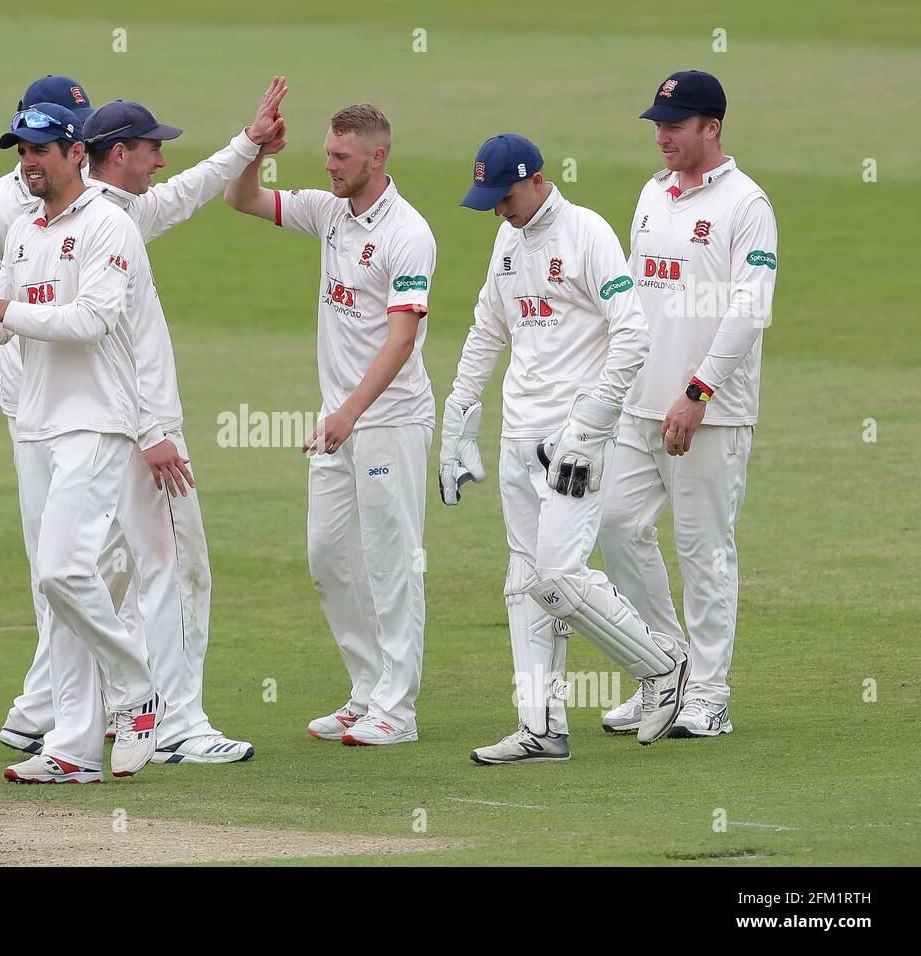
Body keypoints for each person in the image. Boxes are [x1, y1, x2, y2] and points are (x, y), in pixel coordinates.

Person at [4, 81, 288, 777]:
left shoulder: (109, 212)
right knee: (169, 567)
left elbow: (192, 189)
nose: (161, 160)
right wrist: (152, 427)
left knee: (84, 572)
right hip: (127, 428)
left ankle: (76, 727)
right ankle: (175, 724)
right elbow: (113, 339)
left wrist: (249, 142)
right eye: (152, 148)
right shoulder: (99, 223)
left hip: (81, 426)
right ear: (116, 153)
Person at [439, 134, 689, 764]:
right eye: (490, 200)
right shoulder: (506, 240)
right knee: (525, 582)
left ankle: (662, 665)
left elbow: (632, 334)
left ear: (537, 179)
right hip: (519, 439)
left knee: (556, 577)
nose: (499, 209)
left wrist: (589, 425)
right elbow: (485, 331)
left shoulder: (587, 234)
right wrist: (457, 424)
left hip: (572, 444)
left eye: (505, 196)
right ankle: (541, 727)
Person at [0, 103, 160, 780]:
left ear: (73, 152)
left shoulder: (109, 226)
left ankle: (135, 688)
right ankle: (74, 747)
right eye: (20, 152)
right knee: (53, 584)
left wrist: (0, 307)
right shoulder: (25, 229)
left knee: (66, 569)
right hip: (35, 423)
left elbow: (93, 319)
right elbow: (2, 329)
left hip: (94, 420)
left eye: (38, 150)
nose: (27, 163)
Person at [224, 102, 436, 746]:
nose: (329, 165)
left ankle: (397, 711)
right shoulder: (328, 211)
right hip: (339, 424)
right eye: (327, 154)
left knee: (390, 562)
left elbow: (400, 340)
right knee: (328, 557)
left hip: (388, 421)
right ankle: (366, 689)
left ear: (377, 158)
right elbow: (242, 198)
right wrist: (258, 146)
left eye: (341, 157)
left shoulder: (408, 233)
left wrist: (348, 413)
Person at [599, 71, 777, 738]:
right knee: (616, 526)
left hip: (710, 413)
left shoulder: (747, 204)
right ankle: (663, 669)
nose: (662, 135)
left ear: (713, 128)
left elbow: (748, 310)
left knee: (705, 551)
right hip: (641, 404)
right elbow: (633, 293)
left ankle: (708, 694)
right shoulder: (652, 192)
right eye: (657, 123)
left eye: (675, 124)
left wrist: (699, 390)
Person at [0, 75, 97, 755]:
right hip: (31, 404)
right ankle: (75, 709)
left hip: (98, 407)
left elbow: (96, 318)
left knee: (86, 562)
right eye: (29, 145)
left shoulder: (102, 208)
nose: (39, 155)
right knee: (58, 565)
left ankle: (56, 709)